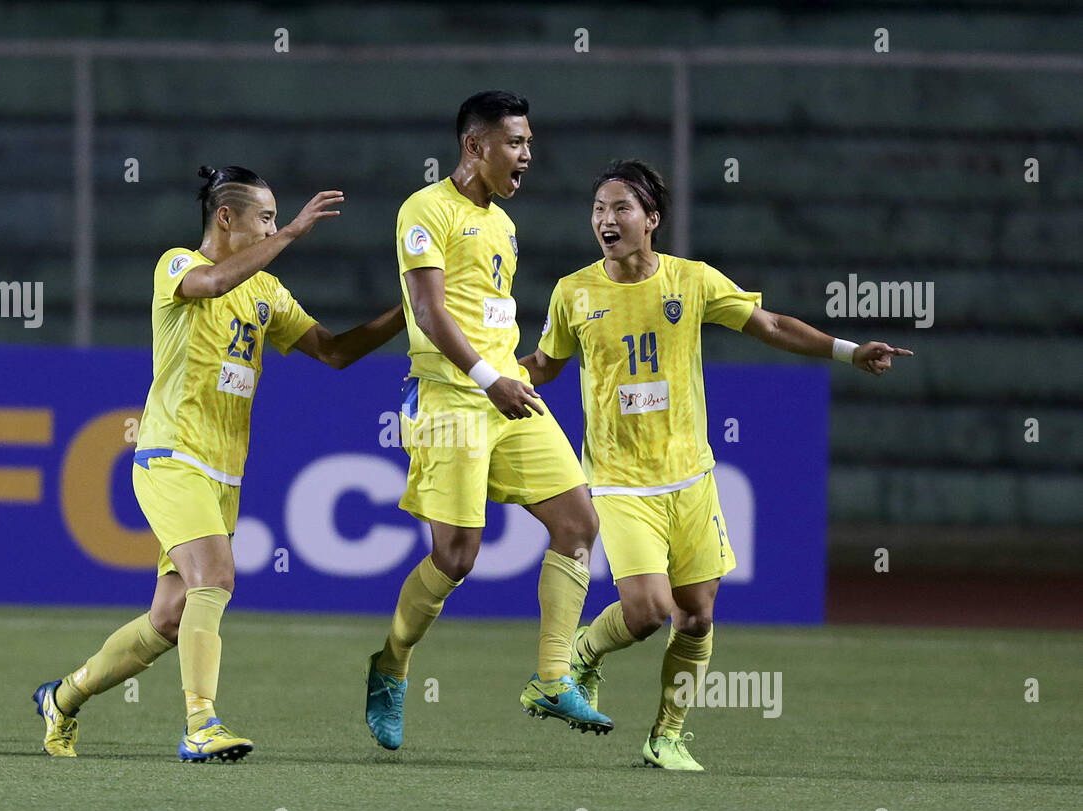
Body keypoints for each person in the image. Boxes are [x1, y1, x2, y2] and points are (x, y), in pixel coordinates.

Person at [521, 159, 912, 770]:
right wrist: (486, 374)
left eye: (621, 208)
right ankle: (583, 654)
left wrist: (848, 351)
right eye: (599, 208)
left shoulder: (692, 280)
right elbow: (545, 363)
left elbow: (771, 324)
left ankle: (666, 735)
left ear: (651, 220)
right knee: (649, 611)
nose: (606, 219)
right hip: (620, 482)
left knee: (697, 613)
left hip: (692, 479)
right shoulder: (574, 291)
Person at [34, 165, 403, 762]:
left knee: (170, 617)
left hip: (224, 476)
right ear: (225, 217)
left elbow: (334, 352)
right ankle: (200, 725)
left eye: (279, 219)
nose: (275, 228)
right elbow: (208, 283)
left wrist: (409, 310)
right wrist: (291, 237)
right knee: (217, 577)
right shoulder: (176, 265)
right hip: (170, 456)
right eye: (267, 218)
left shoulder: (267, 293)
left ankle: (64, 698)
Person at [364, 91, 608, 752]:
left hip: (510, 391)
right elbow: (429, 310)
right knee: (456, 556)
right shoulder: (425, 209)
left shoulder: (502, 225)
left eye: (529, 143)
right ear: (475, 146)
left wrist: (513, 371)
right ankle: (391, 664)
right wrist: (486, 377)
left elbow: (487, 310)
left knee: (578, 523)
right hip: (451, 399)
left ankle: (554, 678)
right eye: (516, 143)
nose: (527, 155)